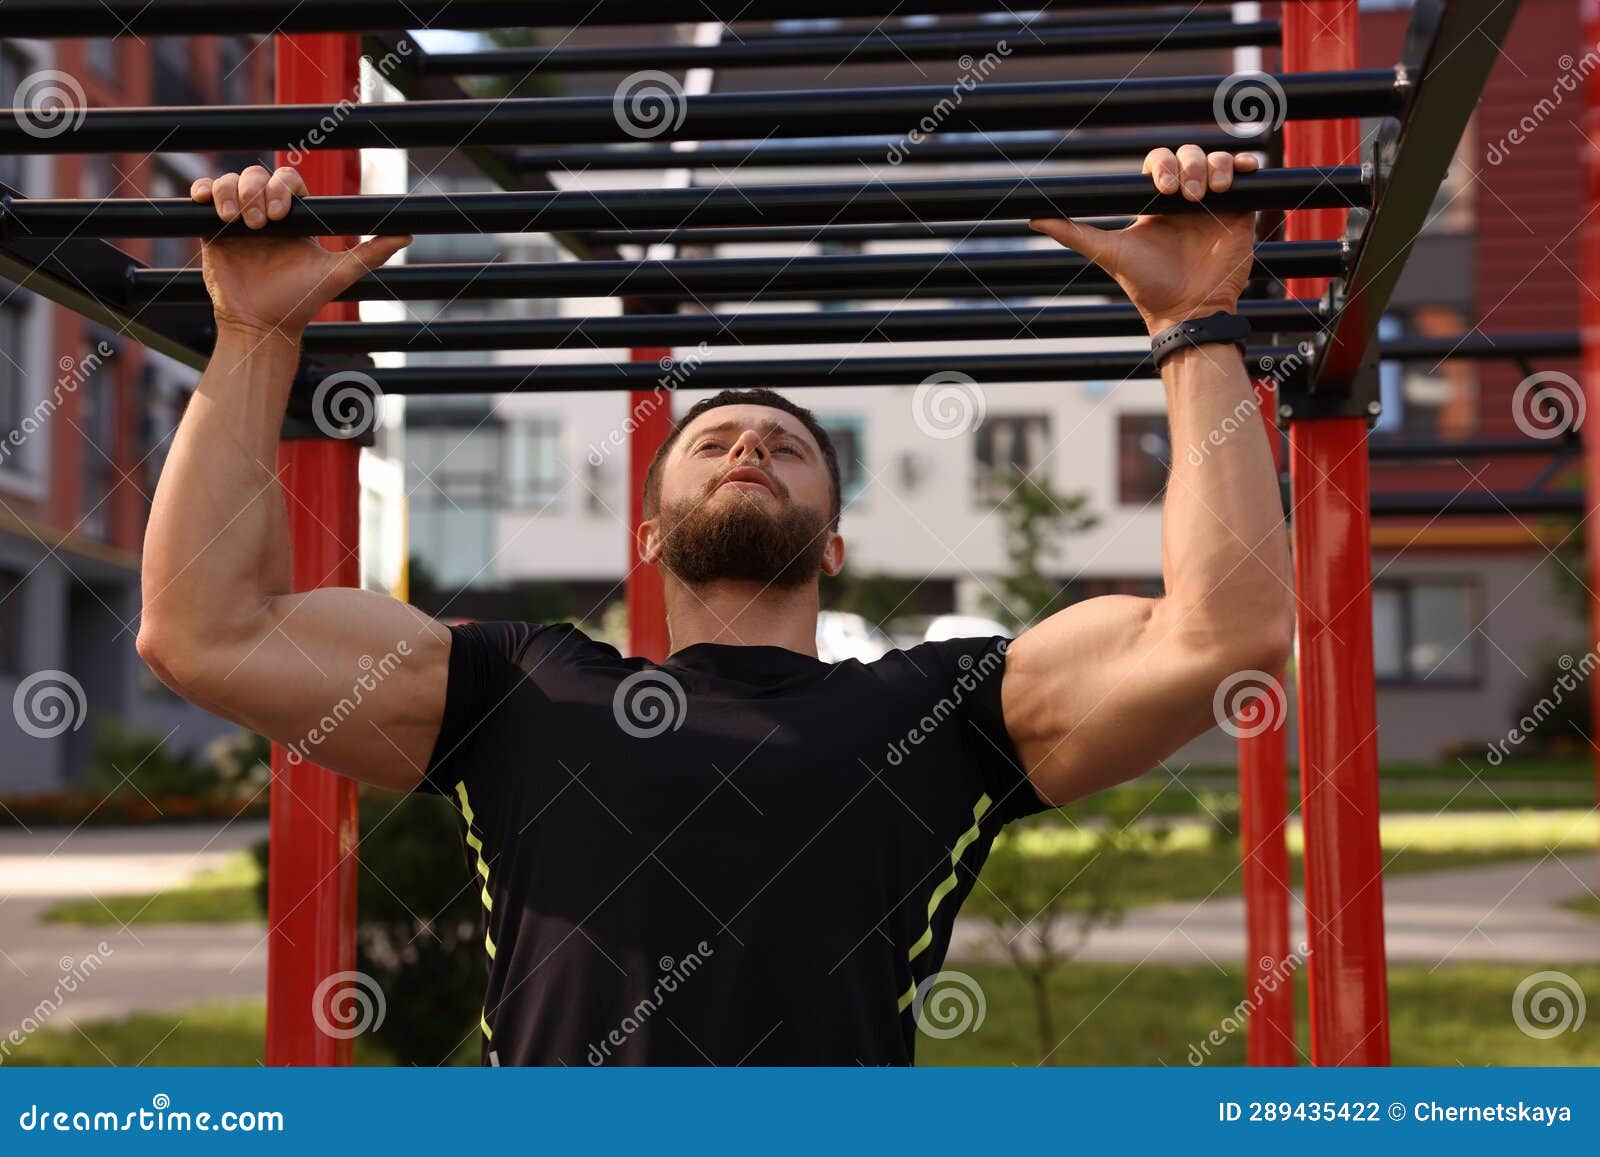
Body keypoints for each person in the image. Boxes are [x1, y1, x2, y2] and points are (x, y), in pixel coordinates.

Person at [138, 144, 1292, 1066]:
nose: (749, 441)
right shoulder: (516, 687)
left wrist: (1193, 326)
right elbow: (203, 630)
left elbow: (1222, 632)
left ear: (831, 541)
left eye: (787, 445)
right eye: (713, 441)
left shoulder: (942, 707)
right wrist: (255, 334)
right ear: (649, 535)